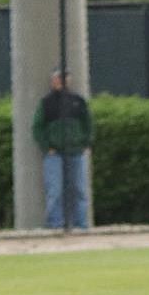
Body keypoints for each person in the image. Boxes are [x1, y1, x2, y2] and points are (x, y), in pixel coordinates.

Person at [33, 69, 93, 230]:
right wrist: (47, 147)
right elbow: (37, 127)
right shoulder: (46, 102)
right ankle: (55, 224)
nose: (62, 82)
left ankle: (81, 224)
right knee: (55, 190)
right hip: (55, 153)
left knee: (79, 189)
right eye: (59, 78)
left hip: (75, 151)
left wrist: (85, 142)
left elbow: (87, 123)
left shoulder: (78, 101)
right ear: (53, 81)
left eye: (64, 78)